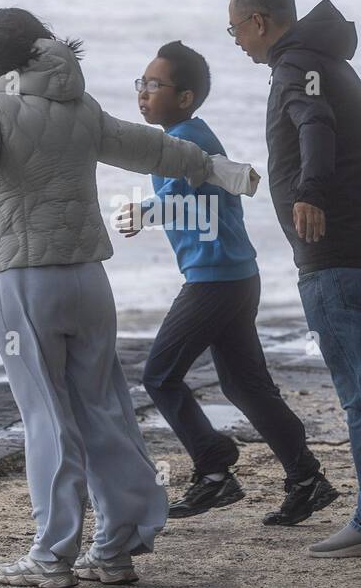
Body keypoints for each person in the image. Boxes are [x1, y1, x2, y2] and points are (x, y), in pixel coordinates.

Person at [0, 9, 259, 588]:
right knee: (103, 410)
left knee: (47, 416)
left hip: (29, 280)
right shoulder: (81, 107)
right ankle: (115, 548)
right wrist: (217, 169)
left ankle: (51, 558)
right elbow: (149, 148)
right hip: (89, 282)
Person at [226, 0, 361, 558]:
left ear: (259, 21)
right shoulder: (335, 62)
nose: (237, 39)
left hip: (337, 261)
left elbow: (316, 124)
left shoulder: (293, 65)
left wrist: (309, 191)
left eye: (235, 28)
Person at [114, 40, 339, 525]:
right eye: (141, 84)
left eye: (155, 85)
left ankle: (215, 469)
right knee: (247, 387)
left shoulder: (190, 138)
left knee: (160, 375)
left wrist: (143, 212)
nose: (143, 93)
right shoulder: (179, 135)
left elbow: (178, 191)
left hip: (216, 282)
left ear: (186, 96)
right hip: (234, 277)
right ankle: (307, 479)